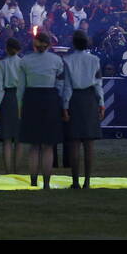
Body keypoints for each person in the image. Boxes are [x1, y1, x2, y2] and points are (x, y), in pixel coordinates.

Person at [19, 31, 65, 188]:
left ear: (34, 43)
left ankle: (33, 181)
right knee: (48, 145)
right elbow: (60, 85)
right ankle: (46, 182)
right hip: (50, 100)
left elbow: (20, 87)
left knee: (34, 145)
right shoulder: (57, 60)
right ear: (49, 45)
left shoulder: (25, 61)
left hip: (31, 99)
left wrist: (20, 106)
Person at [62, 30, 104, 189]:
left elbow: (66, 86)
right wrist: (101, 104)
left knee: (74, 143)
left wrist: (65, 107)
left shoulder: (67, 60)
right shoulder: (95, 60)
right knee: (89, 143)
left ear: (73, 43)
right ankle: (87, 181)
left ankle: (75, 181)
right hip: (90, 99)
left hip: (75, 100)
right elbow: (98, 83)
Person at [0, 37, 24, 175]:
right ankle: (16, 171)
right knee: (19, 139)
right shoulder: (24, 64)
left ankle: (8, 171)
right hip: (20, 99)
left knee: (7, 140)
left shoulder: (1, 64)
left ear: (7, 48)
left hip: (7, 99)